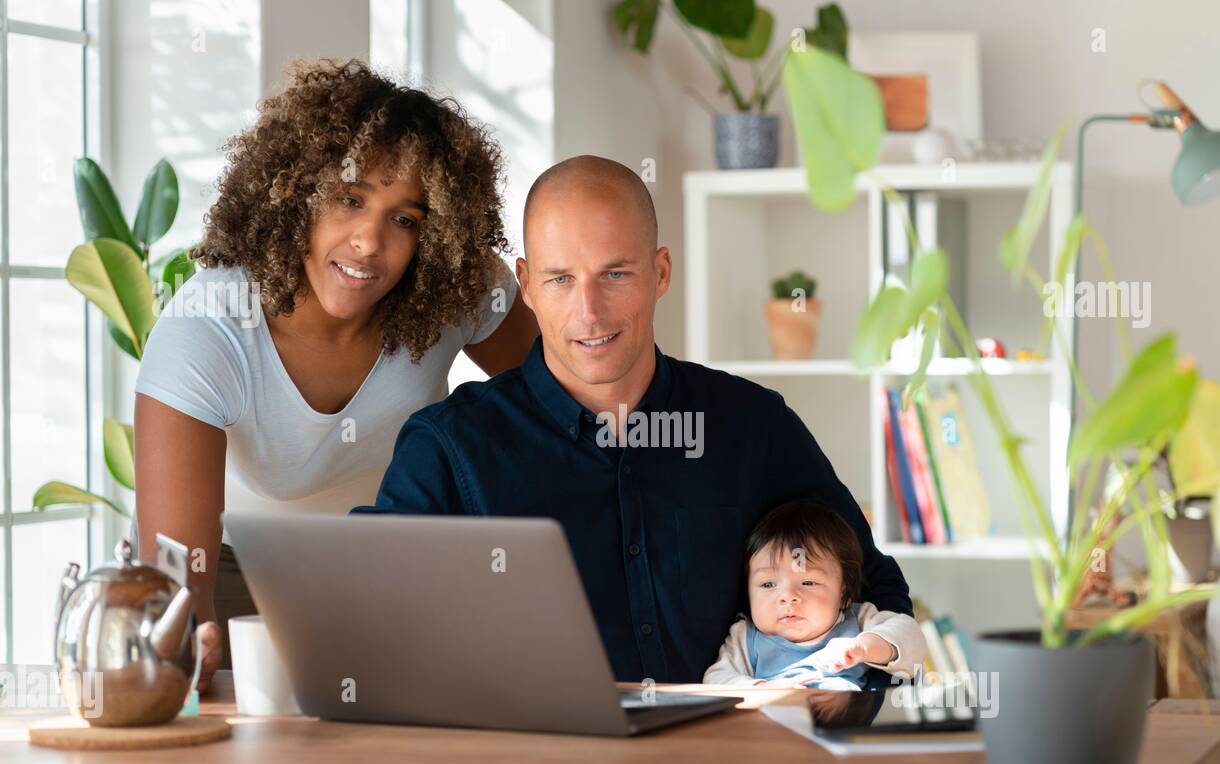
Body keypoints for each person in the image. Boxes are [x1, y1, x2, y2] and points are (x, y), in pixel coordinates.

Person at [353, 154, 913, 682]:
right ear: (525, 286)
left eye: (615, 274)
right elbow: (378, 635)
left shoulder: (755, 426)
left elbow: (876, 589)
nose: (589, 311)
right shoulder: (449, 447)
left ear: (660, 272)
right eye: (560, 279)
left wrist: (829, 693)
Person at [134, 59, 538, 690]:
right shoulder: (206, 330)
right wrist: (187, 643)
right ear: (296, 195)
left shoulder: (453, 287)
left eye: (405, 218)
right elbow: (180, 588)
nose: (369, 243)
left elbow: (562, 402)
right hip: (240, 573)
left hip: (393, 561)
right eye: (349, 200)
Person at [702, 499, 925, 689]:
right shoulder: (746, 637)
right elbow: (715, 680)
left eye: (808, 582)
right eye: (768, 585)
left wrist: (865, 646)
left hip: (839, 731)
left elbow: (911, 639)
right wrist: (762, 689)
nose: (788, 597)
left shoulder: (856, 621)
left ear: (843, 593)